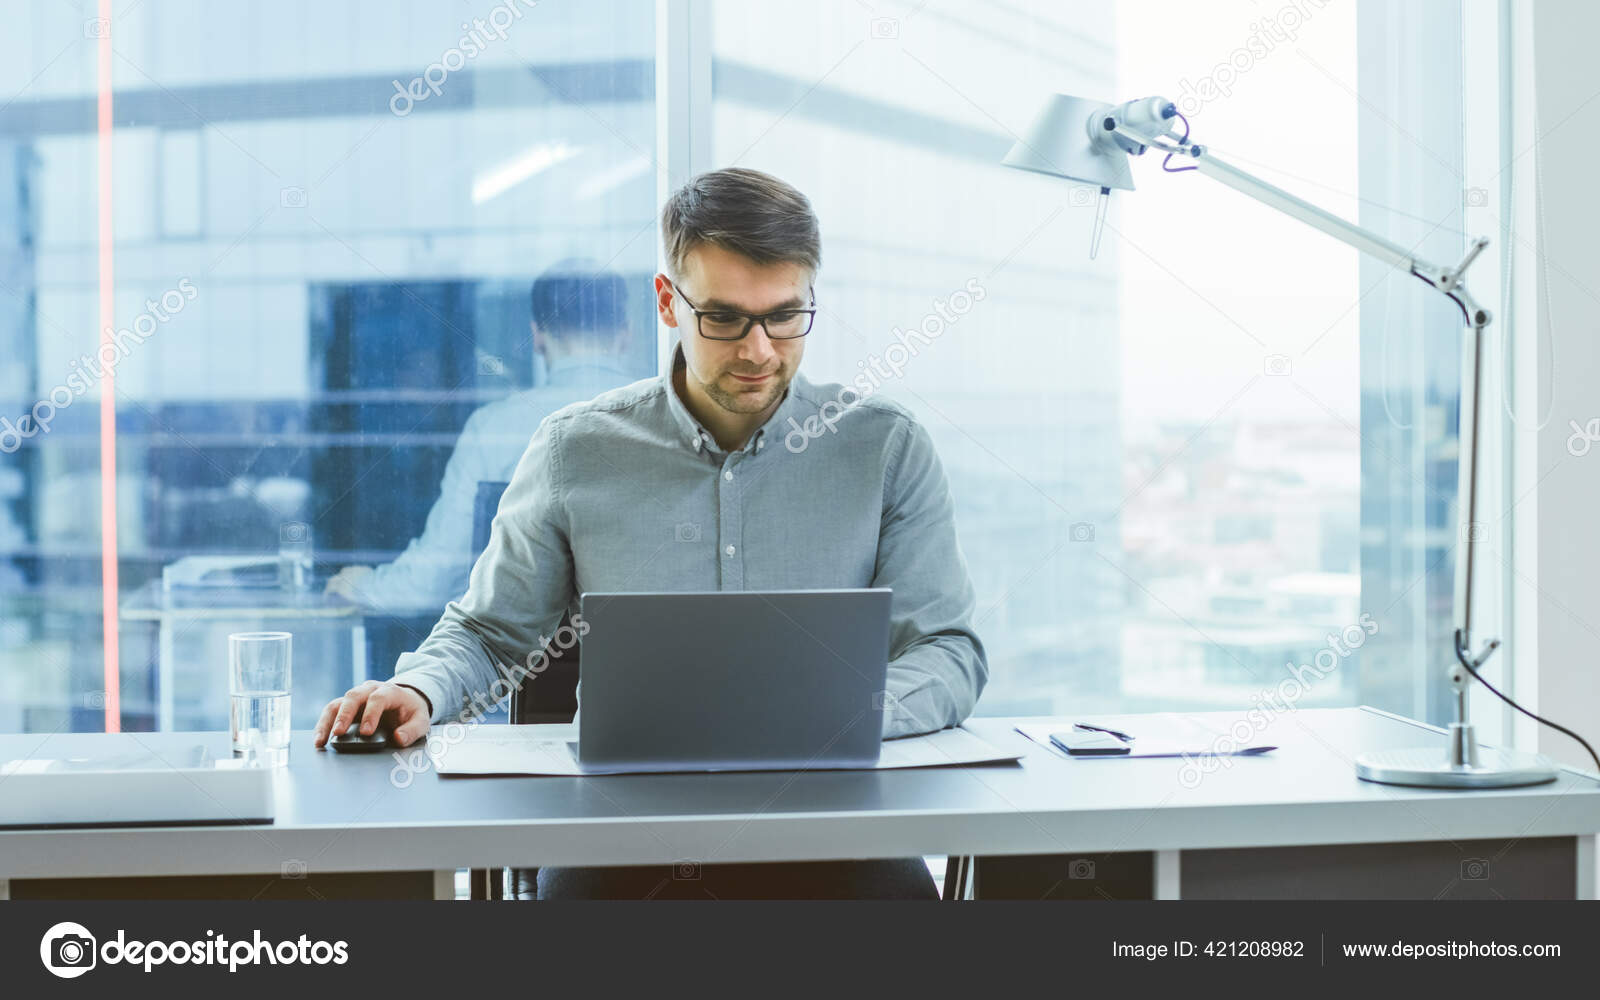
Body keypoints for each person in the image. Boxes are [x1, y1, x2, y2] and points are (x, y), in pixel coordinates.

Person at [314, 167, 988, 899]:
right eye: (724, 318)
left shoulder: (884, 448)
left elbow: (947, 649)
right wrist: (417, 688)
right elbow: (489, 634)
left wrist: (835, 720)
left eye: (785, 316)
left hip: (840, 833)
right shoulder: (575, 449)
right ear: (668, 302)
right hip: (620, 839)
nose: (759, 350)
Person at [325, 261, 635, 612]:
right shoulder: (666, 419)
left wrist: (365, 587)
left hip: (528, 646)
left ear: (537, 335)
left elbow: (435, 578)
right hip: (645, 641)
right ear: (626, 333)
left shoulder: (494, 429)